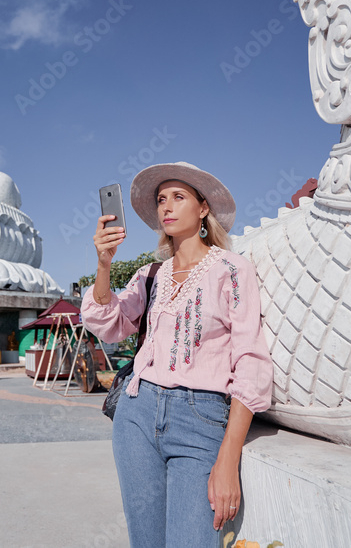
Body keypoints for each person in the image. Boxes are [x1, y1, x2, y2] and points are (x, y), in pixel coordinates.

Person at [82, 162, 272, 547]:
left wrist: (228, 458)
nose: (166, 207)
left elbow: (250, 361)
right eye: (161, 200)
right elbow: (107, 322)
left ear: (203, 209)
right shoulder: (150, 275)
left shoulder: (232, 270)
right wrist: (104, 265)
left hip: (201, 418)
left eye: (178, 197)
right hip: (136, 414)